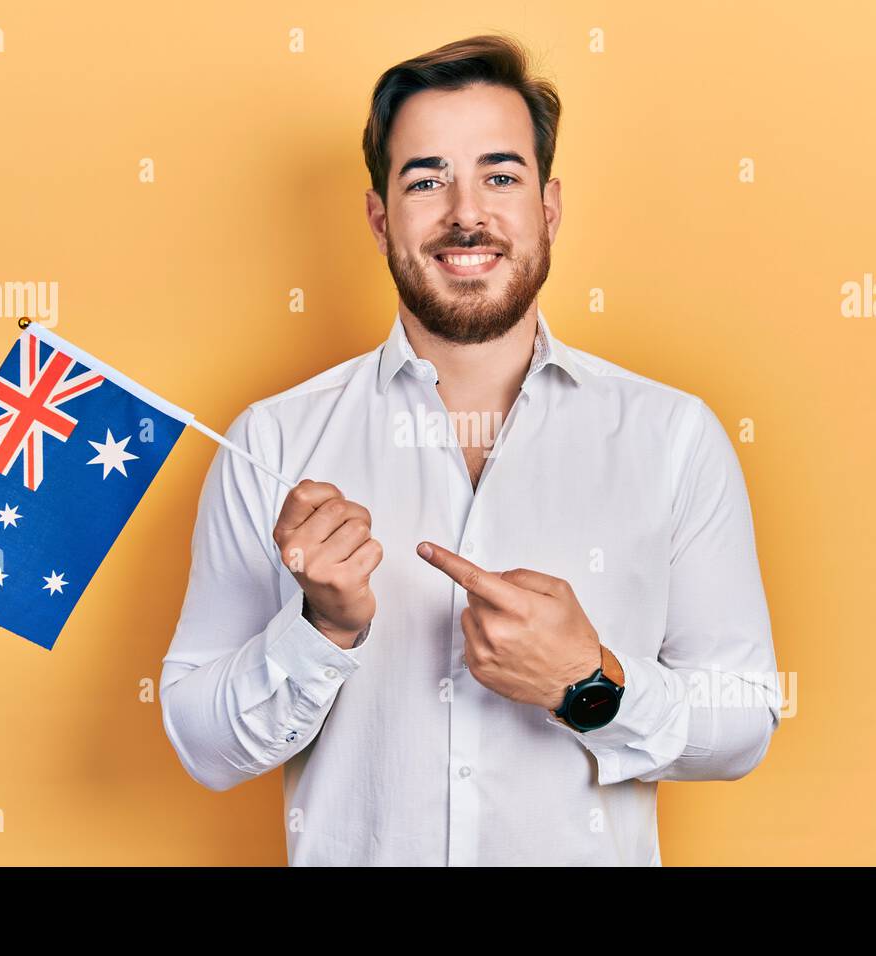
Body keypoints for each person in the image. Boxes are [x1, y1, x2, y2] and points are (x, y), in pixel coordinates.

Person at [159, 33, 782, 866]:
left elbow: (743, 718)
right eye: (426, 179)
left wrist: (587, 684)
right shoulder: (272, 440)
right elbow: (201, 742)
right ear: (381, 218)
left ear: (548, 208)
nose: (465, 212)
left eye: (499, 175)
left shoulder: (673, 437)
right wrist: (318, 630)